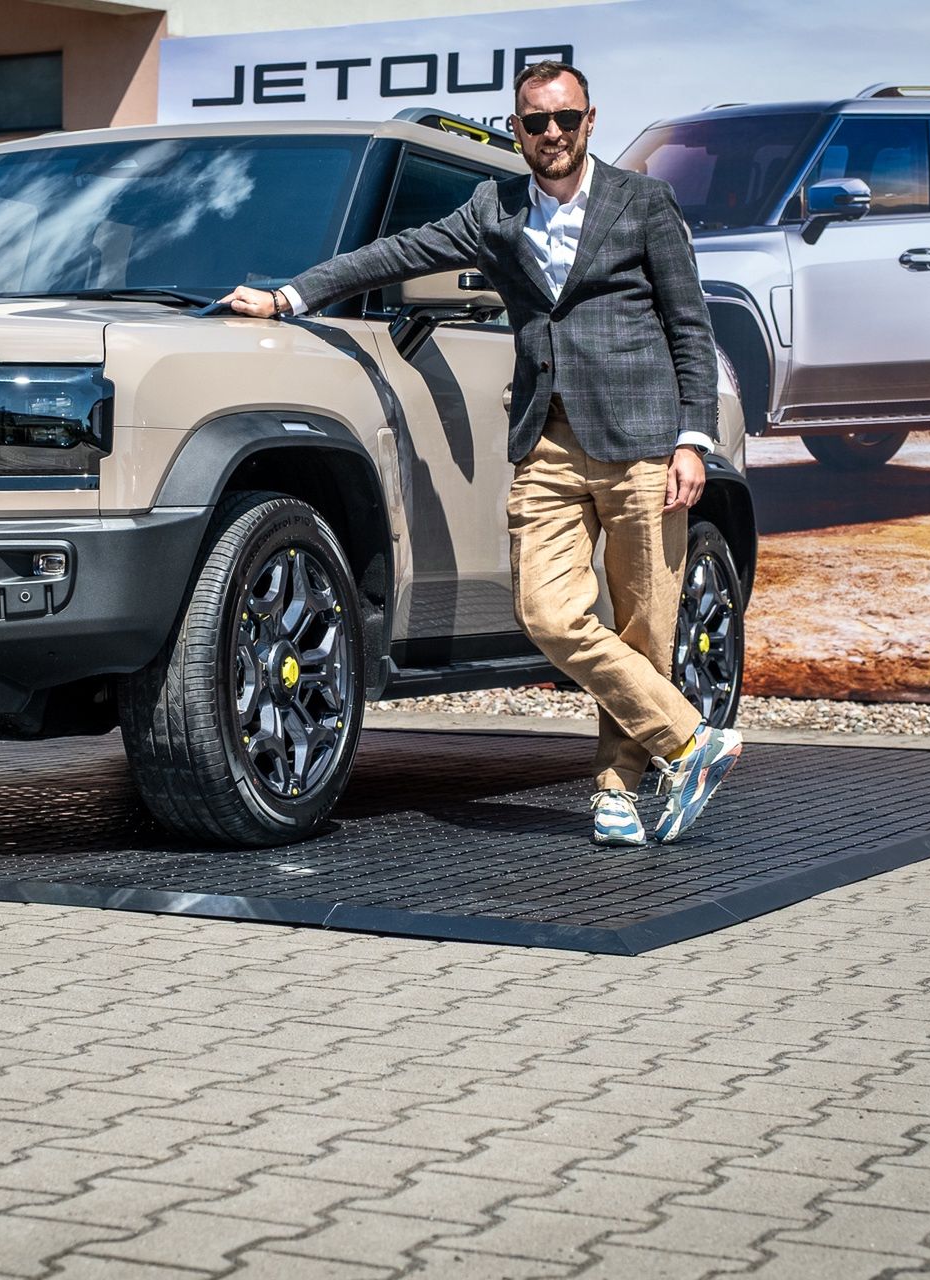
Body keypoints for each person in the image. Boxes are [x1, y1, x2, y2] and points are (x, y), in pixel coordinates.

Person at [220, 60, 741, 847]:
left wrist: (692, 439)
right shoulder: (494, 210)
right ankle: (689, 738)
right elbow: (391, 255)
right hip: (548, 439)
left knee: (644, 627)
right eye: (536, 122)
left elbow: (689, 327)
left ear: (591, 121)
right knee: (547, 614)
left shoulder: (643, 203)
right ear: (518, 128)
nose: (553, 135)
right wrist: (289, 296)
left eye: (566, 119)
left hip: (641, 441)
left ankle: (615, 793)